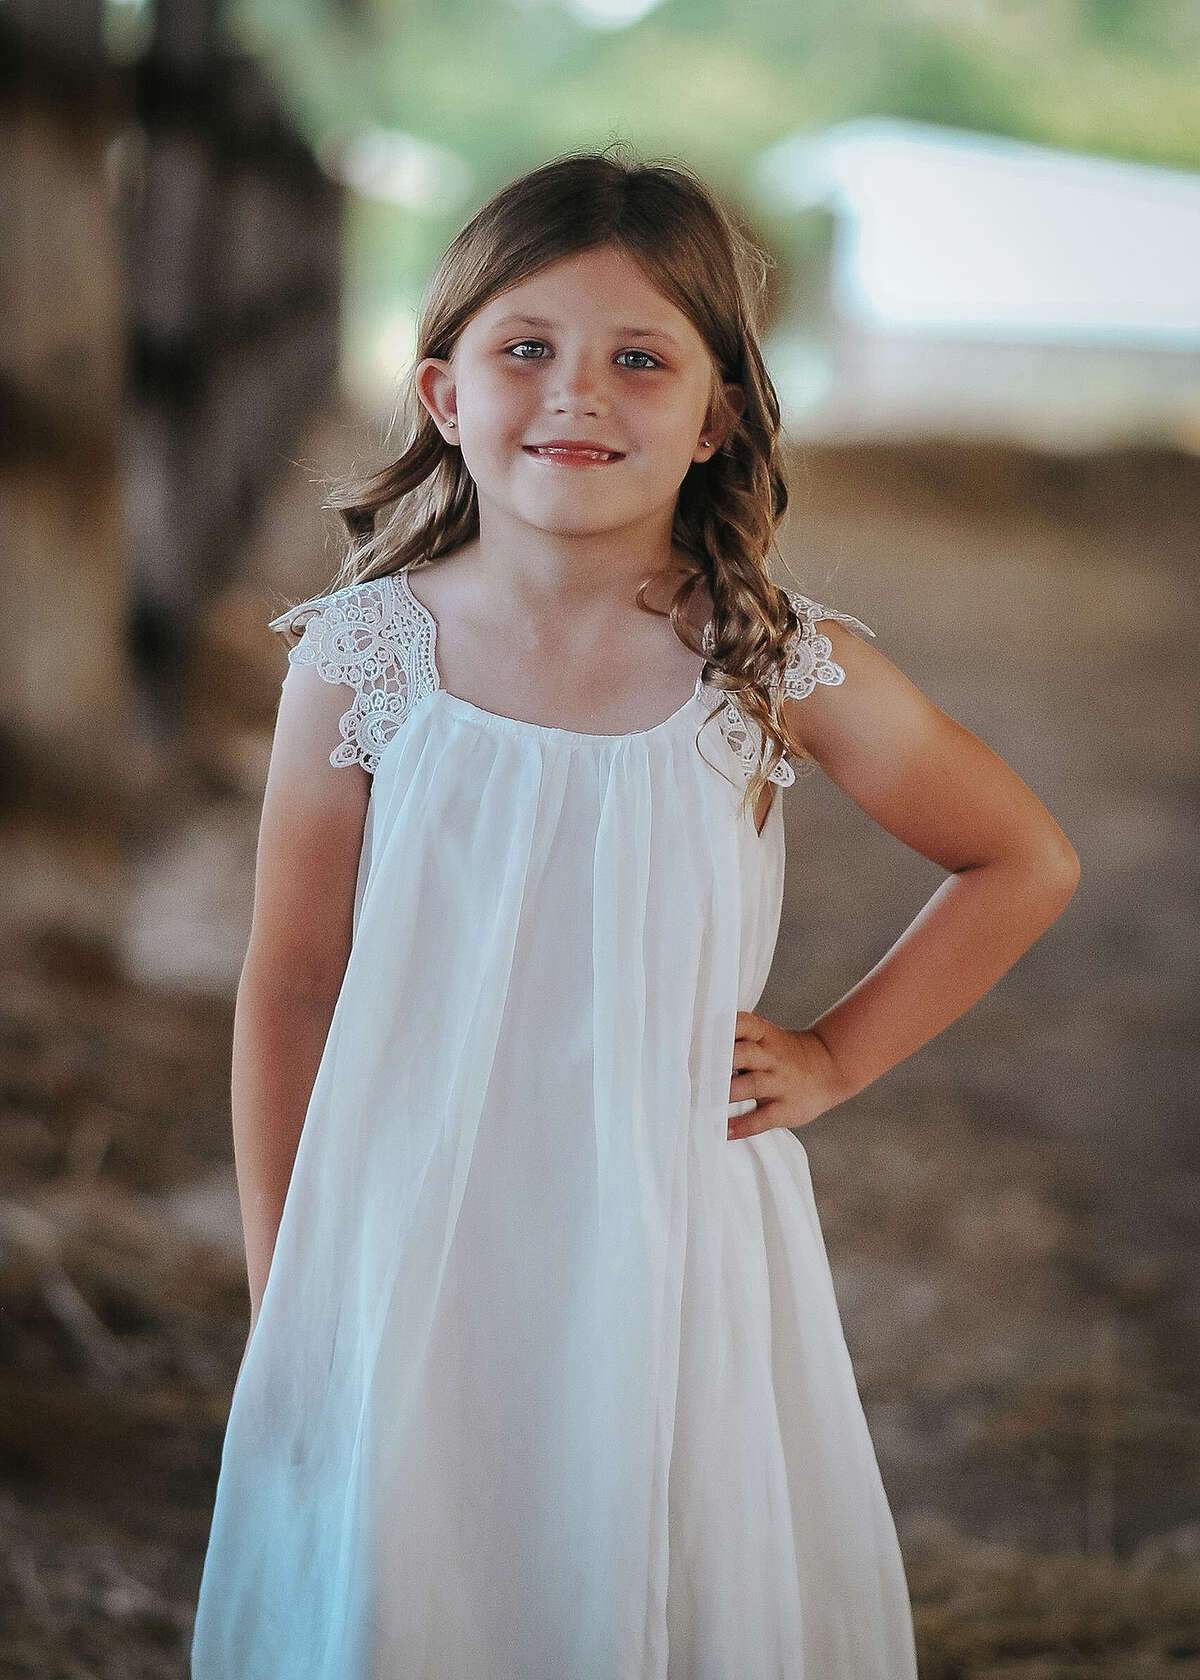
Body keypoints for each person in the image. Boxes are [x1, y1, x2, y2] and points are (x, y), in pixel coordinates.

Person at [189, 146, 1079, 1679]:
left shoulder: (772, 664)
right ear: (442, 393)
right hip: (409, 1232)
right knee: (410, 1582)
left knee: (647, 1577)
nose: (576, 395)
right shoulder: (362, 656)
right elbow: (292, 980)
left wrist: (839, 1056)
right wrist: (297, 1283)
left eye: (640, 358)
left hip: (665, 1242)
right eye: (524, 347)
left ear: (718, 411)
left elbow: (1021, 859)